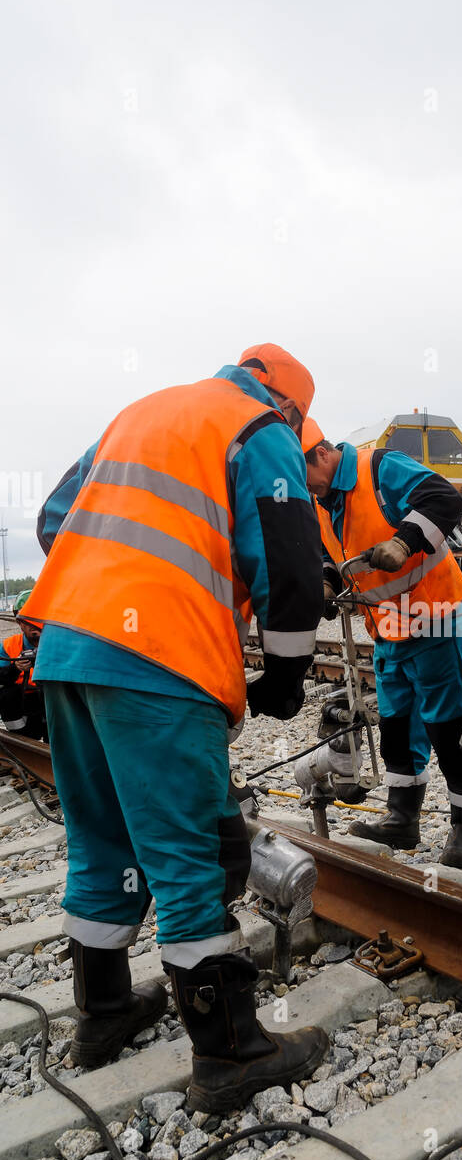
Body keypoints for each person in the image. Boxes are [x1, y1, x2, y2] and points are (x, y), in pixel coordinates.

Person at [22, 344, 330, 1112]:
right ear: (288, 406)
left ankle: (102, 1016)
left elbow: (53, 518)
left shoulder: (142, 413)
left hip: (66, 649)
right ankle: (230, 1051)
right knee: (187, 853)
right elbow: (290, 563)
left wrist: (111, 583)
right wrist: (286, 675)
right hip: (159, 658)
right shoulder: (258, 427)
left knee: (104, 841)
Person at [302, 418, 462, 868]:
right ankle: (402, 818)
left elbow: (445, 498)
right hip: (387, 629)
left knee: (450, 729)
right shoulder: (320, 499)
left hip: (435, 617)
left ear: (322, 455)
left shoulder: (379, 468)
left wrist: (405, 543)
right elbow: (334, 553)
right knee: (396, 727)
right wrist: (329, 580)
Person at [0, 591, 46, 740]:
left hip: (50, 699)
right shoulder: (9, 646)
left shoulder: (58, 644)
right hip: (23, 701)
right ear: (19, 623)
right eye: (27, 619)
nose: (34, 624)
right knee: (6, 694)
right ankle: (22, 740)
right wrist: (15, 668)